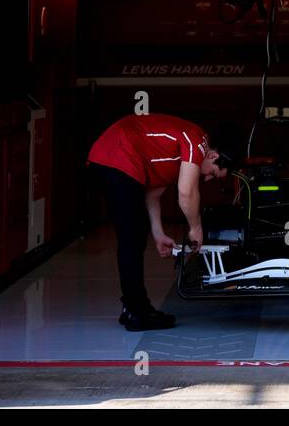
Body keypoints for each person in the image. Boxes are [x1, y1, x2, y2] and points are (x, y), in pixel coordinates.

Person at [87, 113, 230, 331]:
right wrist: (196, 228)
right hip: (117, 154)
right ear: (212, 155)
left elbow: (152, 195)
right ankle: (137, 312)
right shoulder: (198, 141)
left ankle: (133, 308)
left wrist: (158, 233)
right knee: (131, 237)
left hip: (112, 157)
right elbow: (186, 192)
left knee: (135, 233)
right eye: (214, 173)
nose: (208, 179)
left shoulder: (171, 159)